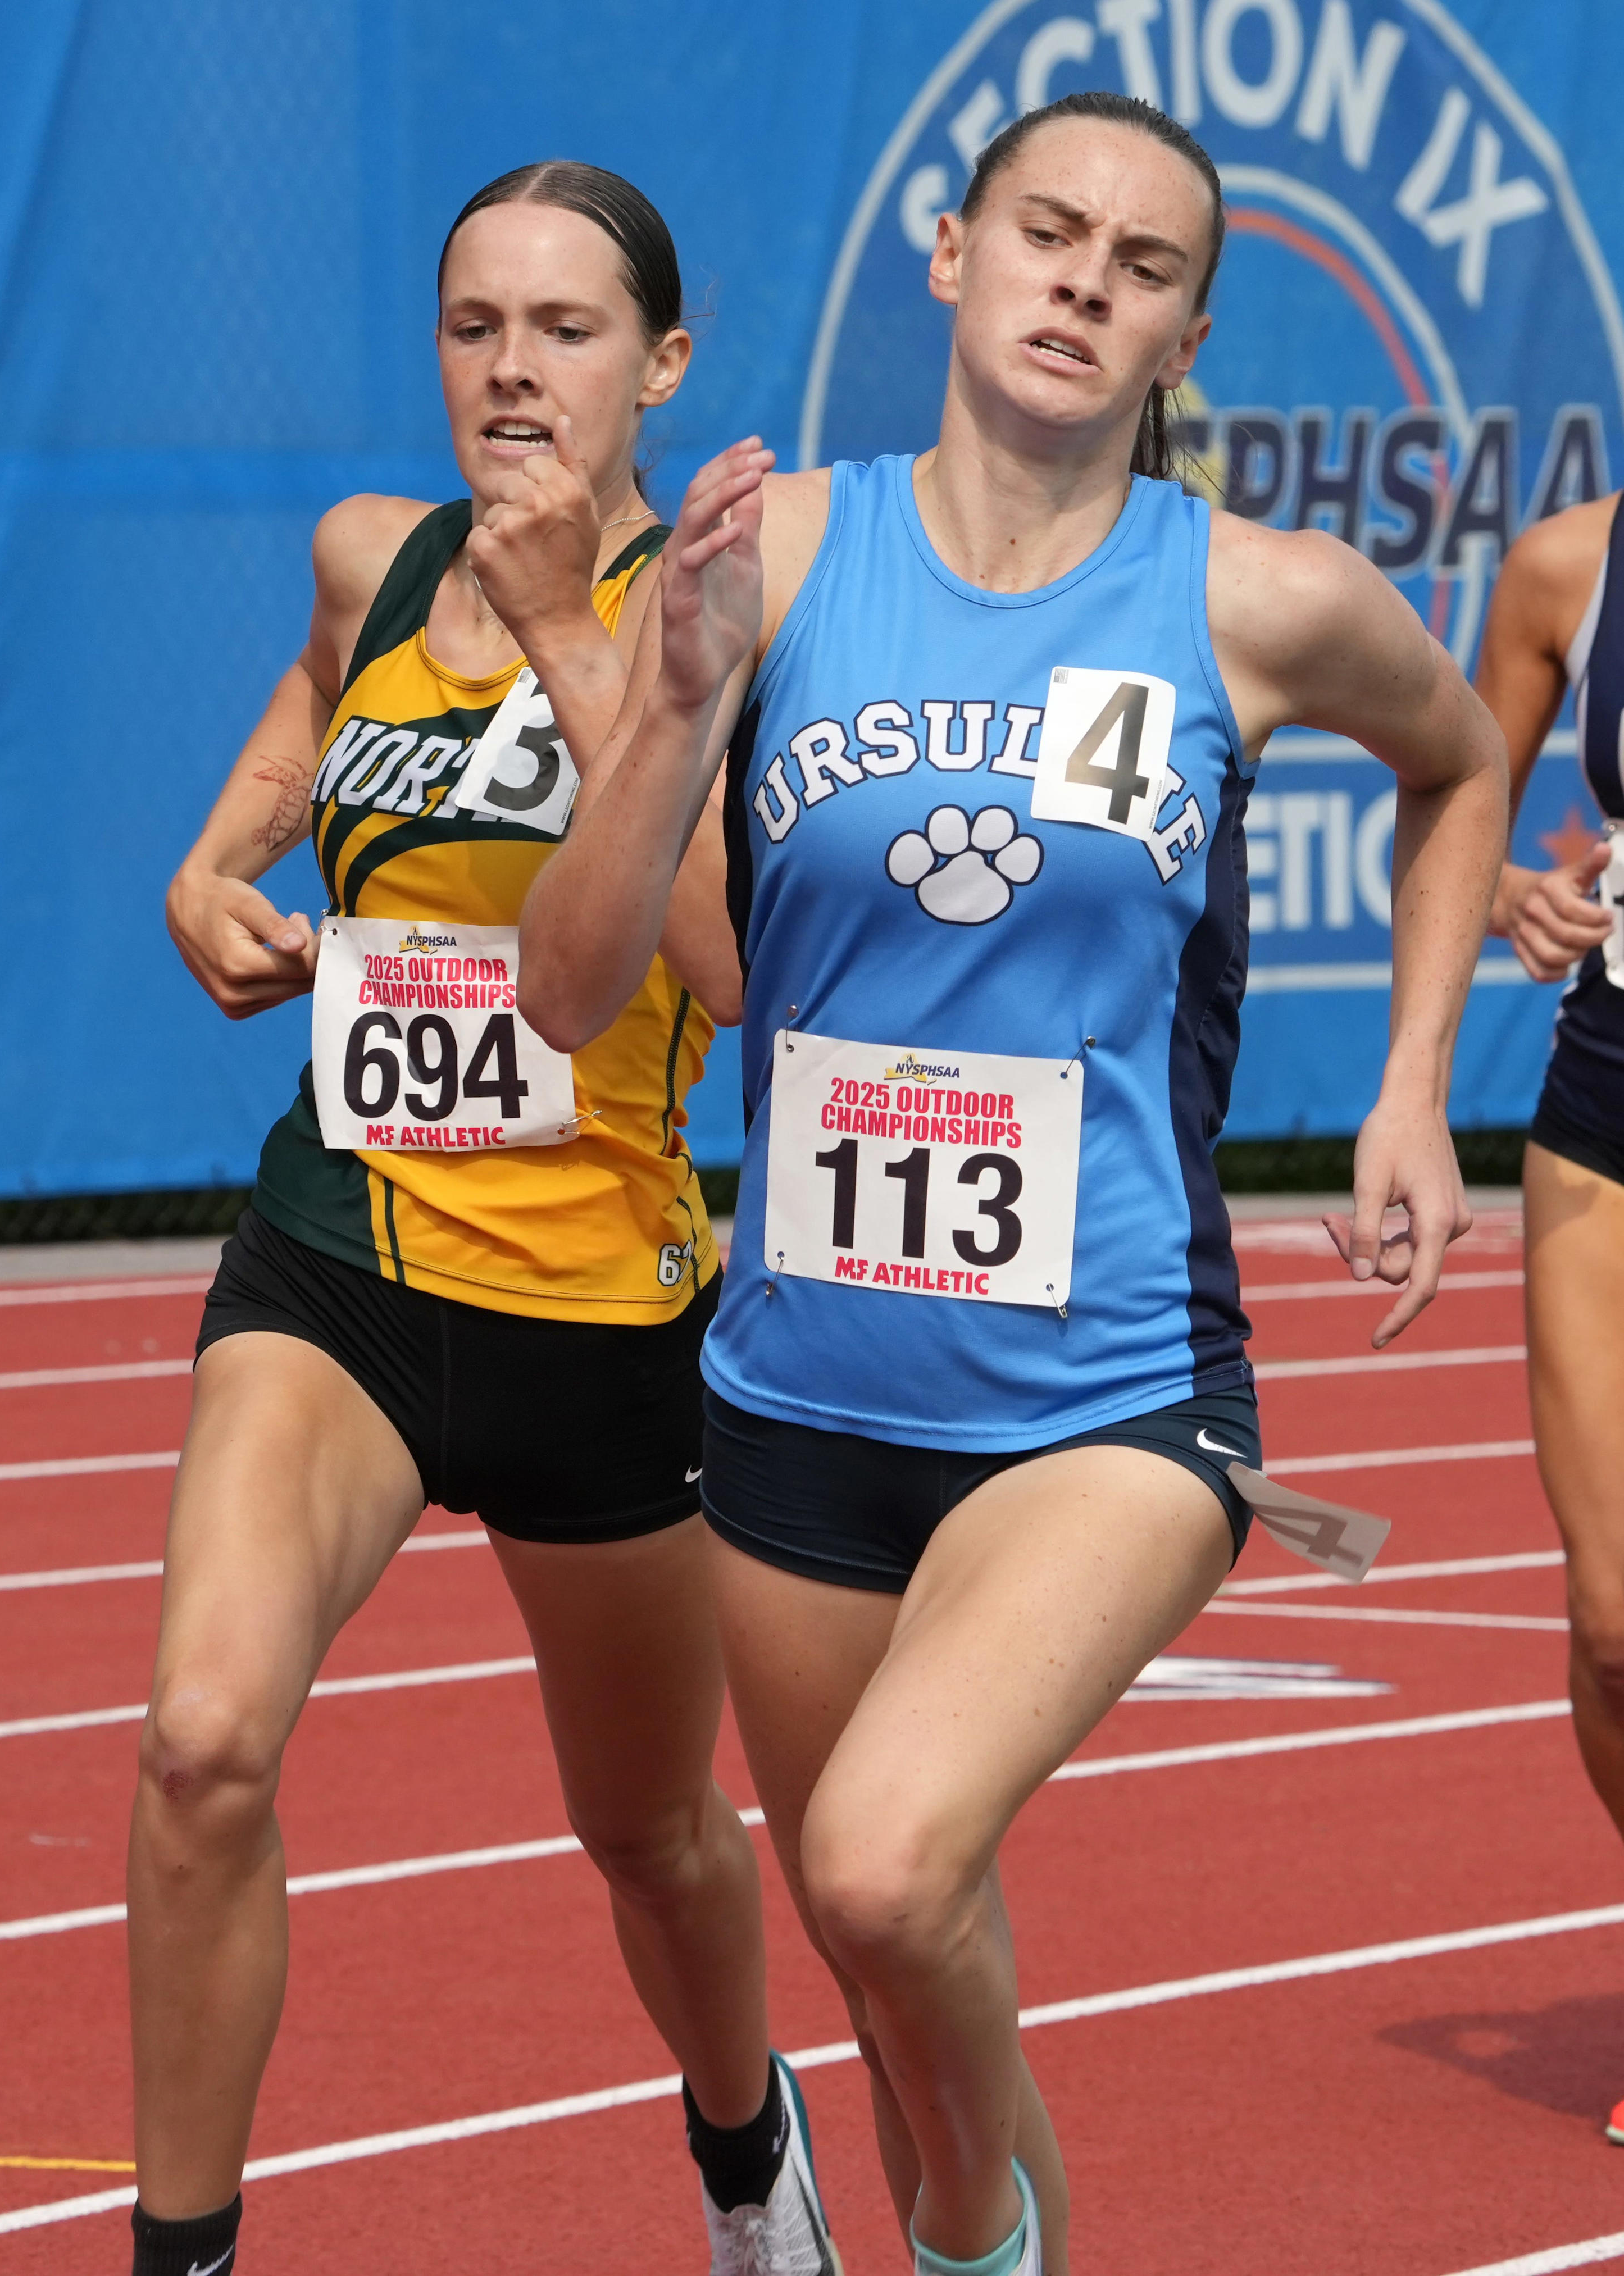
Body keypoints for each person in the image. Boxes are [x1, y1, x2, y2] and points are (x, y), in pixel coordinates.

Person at [517, 93, 1508, 2276]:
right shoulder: (776, 561)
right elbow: (572, 978)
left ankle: (972, 2229)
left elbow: (1457, 763)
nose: (1082, 279)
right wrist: (666, 704)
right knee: (891, 1974)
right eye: (1046, 233)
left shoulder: (1255, 600)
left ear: (1180, 333)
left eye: (1139, 265)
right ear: (948, 252)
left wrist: (1415, 1081)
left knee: (877, 1866)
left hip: (1103, 1386)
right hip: (798, 1384)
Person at [135, 162, 838, 2276]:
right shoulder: (379, 552)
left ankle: (743, 2156)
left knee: (653, 1835)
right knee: (195, 1746)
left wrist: (568, 634)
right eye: (476, 327)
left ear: (663, 364)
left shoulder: (718, 619)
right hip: (339, 1256)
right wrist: (212, 872)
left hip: (600, 1315)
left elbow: (721, 965)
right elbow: (300, 731)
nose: (514, 370)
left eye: (566, 330)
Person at [1473, 490, 1624, 2138]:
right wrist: (1511, 886)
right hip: (1610, 1120)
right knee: (1614, 1622)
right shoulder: (1568, 568)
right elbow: (1453, 807)